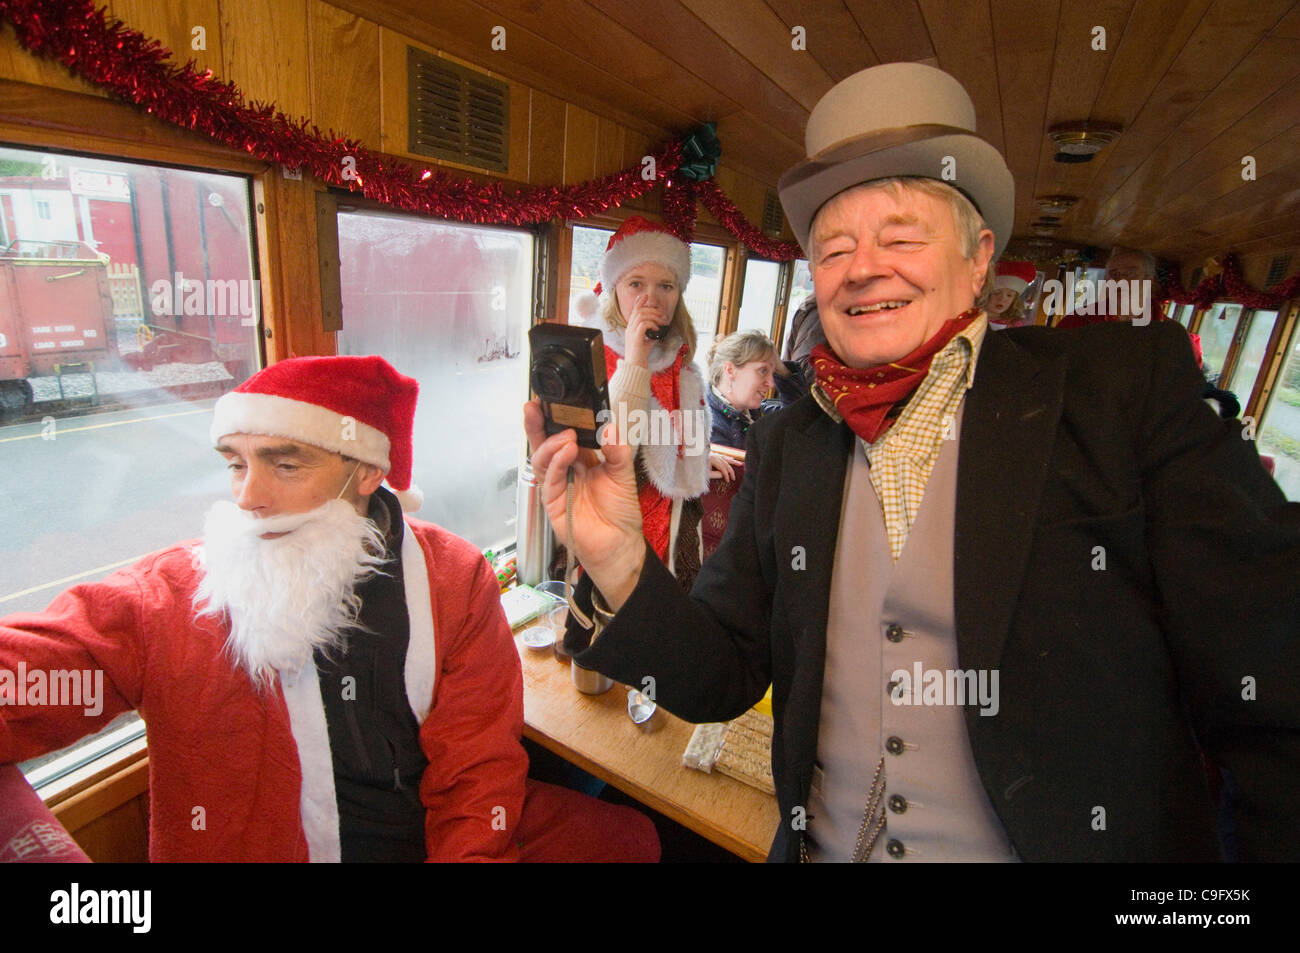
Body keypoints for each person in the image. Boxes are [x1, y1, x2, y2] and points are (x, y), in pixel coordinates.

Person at [523, 62, 1300, 862]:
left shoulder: (1119, 394)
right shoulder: (790, 443)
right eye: (833, 249)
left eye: (900, 237)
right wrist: (617, 558)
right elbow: (718, 675)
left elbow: (1277, 694)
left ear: (978, 261)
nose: (863, 268)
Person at [1, 355, 658, 862]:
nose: (248, 498)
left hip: (420, 837)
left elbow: (476, 777)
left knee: (631, 837)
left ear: (367, 473)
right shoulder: (166, 598)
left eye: (284, 464)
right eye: (236, 465)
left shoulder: (454, 578)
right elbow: (32, 671)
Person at [581, 216, 733, 591]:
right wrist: (634, 360)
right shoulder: (596, 358)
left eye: (666, 285)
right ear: (615, 288)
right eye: (636, 284)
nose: (652, 299)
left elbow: (685, 417)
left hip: (675, 523)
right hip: (619, 536)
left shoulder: (680, 357)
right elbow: (611, 452)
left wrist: (696, 452)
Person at [706, 330, 781, 449]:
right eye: (763, 371)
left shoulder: (753, 413)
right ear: (730, 370)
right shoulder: (709, 427)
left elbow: (797, 418)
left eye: (773, 373)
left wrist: (787, 372)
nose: (771, 384)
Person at [1055, 246, 1158, 328]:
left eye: (1129, 273)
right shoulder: (1077, 321)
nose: (1119, 280)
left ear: (1149, 280)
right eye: (1113, 274)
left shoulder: (1167, 331)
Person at [986, 260, 1036, 329]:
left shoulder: (1014, 325)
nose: (1002, 299)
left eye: (1009, 295)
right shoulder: (973, 319)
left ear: (1014, 300)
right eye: (996, 293)